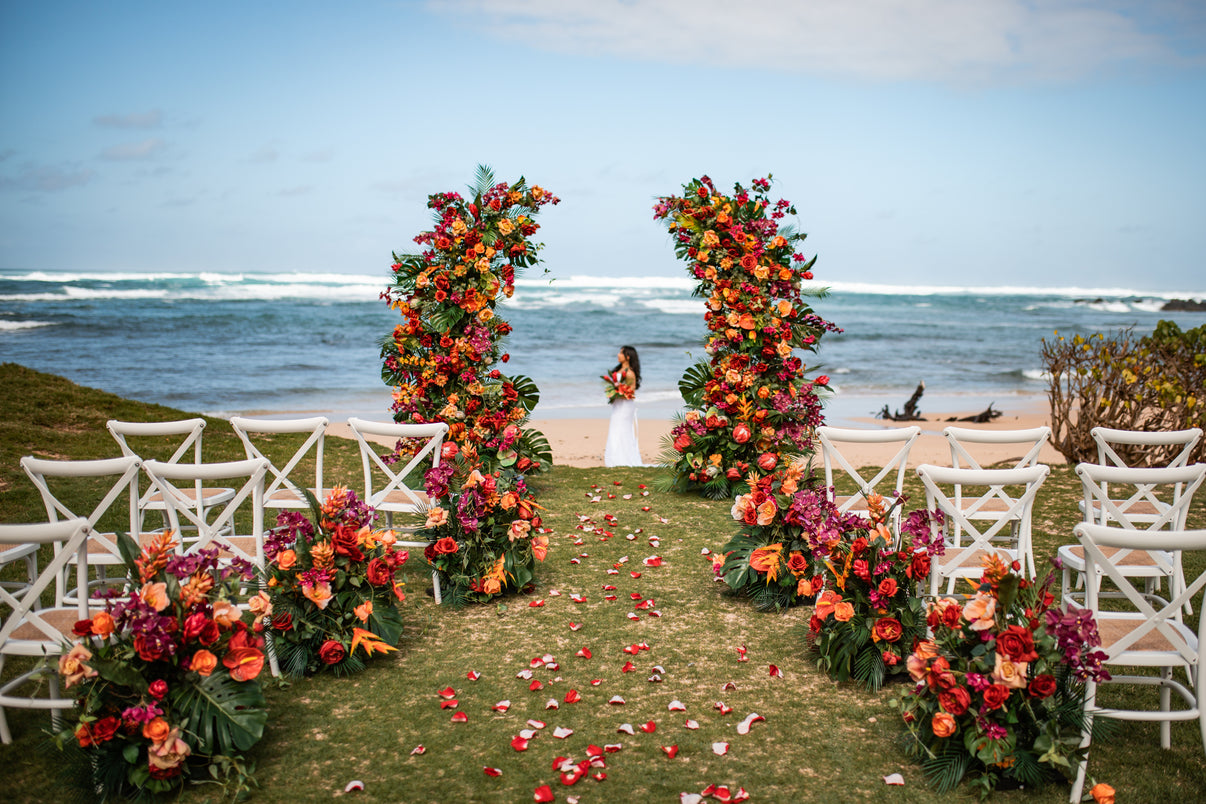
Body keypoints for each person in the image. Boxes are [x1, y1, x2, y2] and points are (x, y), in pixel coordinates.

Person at [604, 345, 643, 467]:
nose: (618, 355)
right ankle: (614, 458)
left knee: (622, 430)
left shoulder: (630, 373)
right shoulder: (619, 370)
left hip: (625, 405)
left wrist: (617, 393)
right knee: (615, 429)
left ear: (627, 356)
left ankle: (622, 459)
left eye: (621, 353)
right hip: (618, 405)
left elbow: (631, 392)